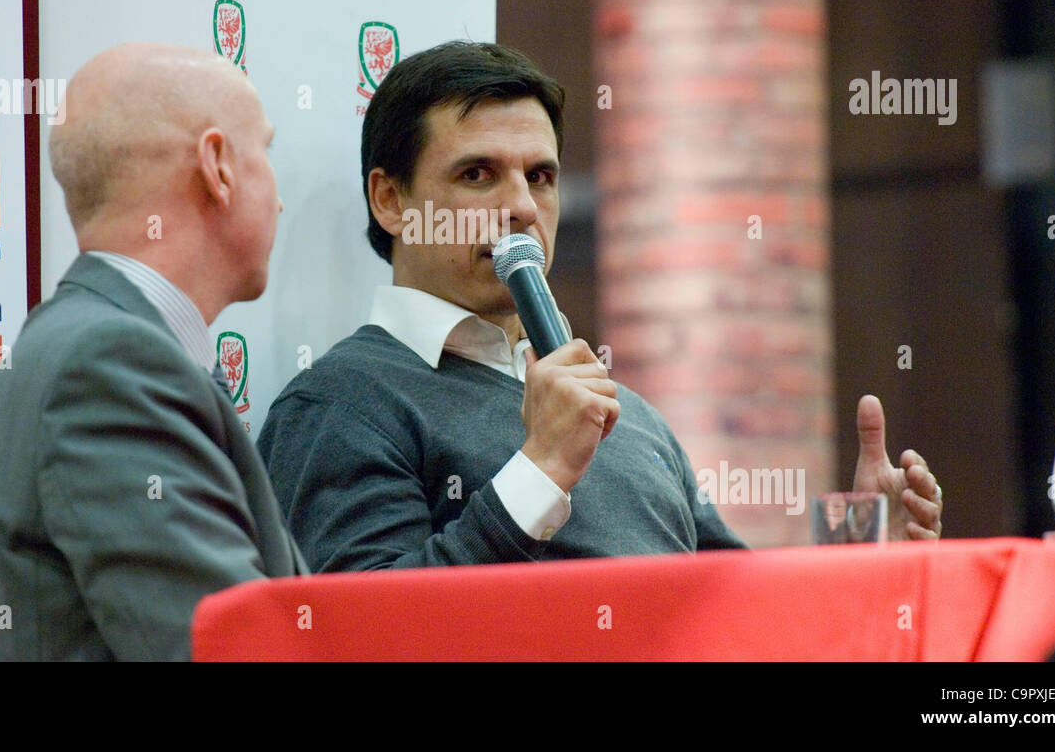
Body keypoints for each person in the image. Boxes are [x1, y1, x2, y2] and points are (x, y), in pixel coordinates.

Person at [258, 41, 943, 572]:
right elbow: (365, 636)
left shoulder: (628, 415)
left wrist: (860, 556)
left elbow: (734, 615)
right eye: (477, 174)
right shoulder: (340, 405)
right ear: (391, 200)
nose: (522, 207)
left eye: (541, 176)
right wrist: (541, 469)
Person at [0, 43, 304, 661]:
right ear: (217, 165)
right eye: (264, 152)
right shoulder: (111, 362)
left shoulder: (83, 344)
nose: (276, 197)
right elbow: (222, 651)